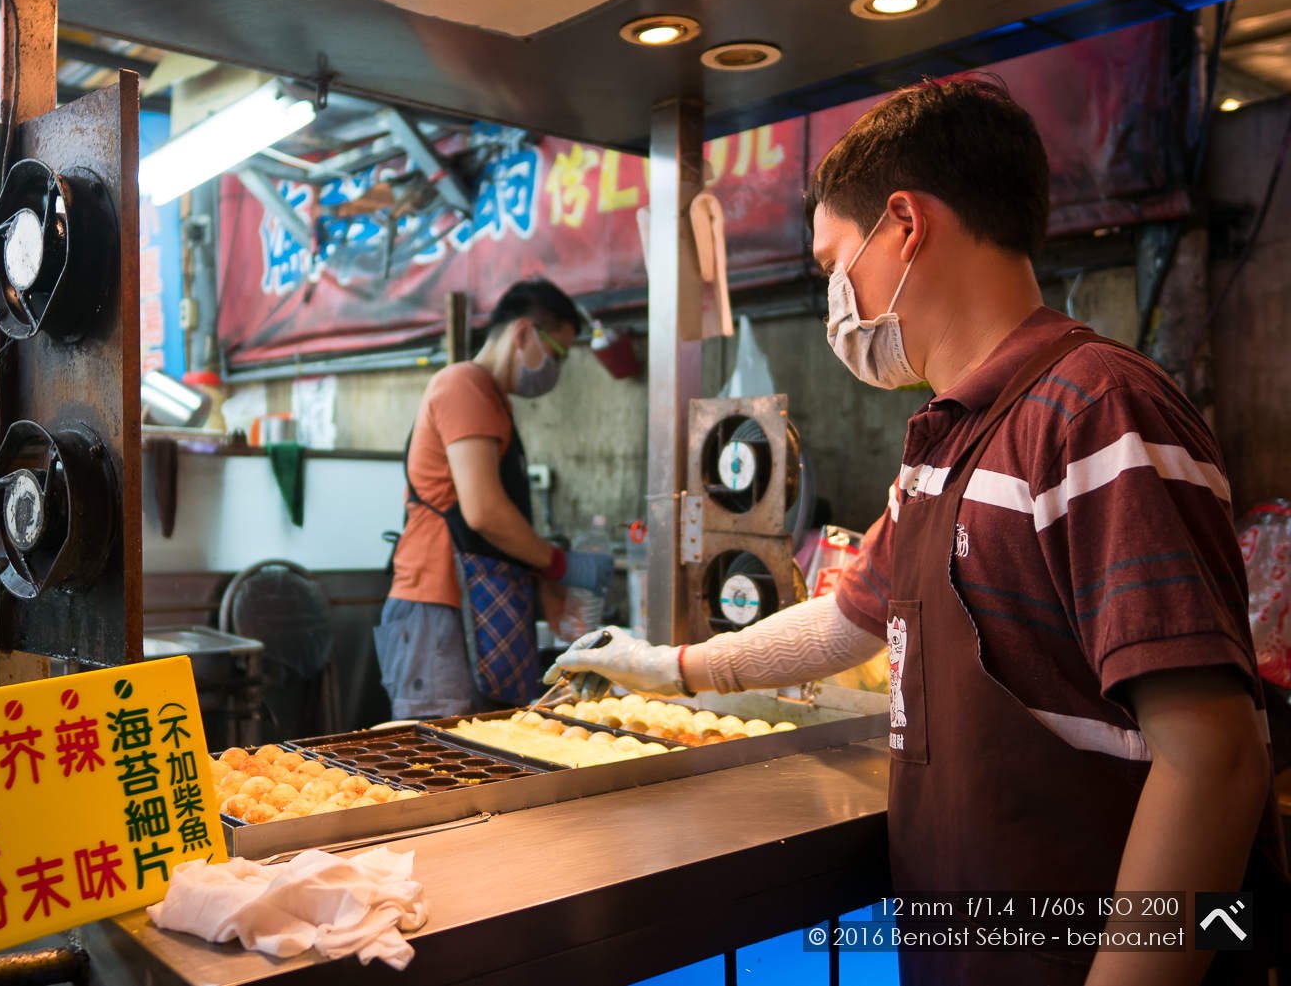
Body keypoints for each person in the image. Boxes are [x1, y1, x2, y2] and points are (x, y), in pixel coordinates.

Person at [549, 79, 1285, 985]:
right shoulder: (947, 441)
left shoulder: (1095, 414)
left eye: (833, 264)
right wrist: (668, 667)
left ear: (904, 224)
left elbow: (1214, 761)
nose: (836, 299)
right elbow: (845, 623)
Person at [377, 278, 613, 719]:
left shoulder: (493, 400)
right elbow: (484, 511)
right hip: (439, 609)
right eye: (557, 354)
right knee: (441, 752)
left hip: (464, 610)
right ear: (523, 333)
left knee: (478, 748)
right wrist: (559, 564)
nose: (556, 370)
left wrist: (547, 584)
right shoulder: (463, 384)